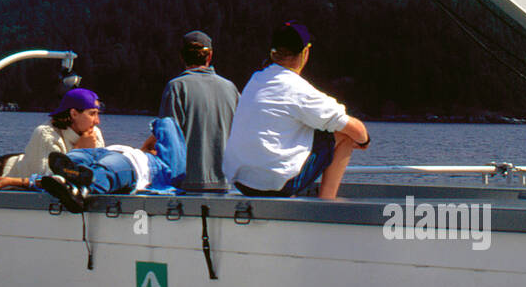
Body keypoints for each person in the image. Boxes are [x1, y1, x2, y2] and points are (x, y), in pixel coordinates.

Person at [222, 20, 369, 200]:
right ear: (305, 53)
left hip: (242, 181)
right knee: (345, 135)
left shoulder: (256, 80)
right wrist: (363, 141)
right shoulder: (297, 89)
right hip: (276, 185)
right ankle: (328, 202)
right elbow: (357, 130)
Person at [0, 88, 105, 190]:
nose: (97, 121)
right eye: (92, 114)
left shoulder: (93, 133)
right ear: (73, 113)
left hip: (21, 162)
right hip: (4, 172)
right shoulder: (46, 134)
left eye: (97, 114)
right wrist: (81, 150)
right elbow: (50, 180)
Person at [142, 30, 238, 193]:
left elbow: (169, 140)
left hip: (187, 185)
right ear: (209, 56)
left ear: (182, 57)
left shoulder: (176, 87)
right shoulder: (231, 89)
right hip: (226, 184)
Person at [38, 117, 186, 213]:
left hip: (130, 165)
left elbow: (167, 124)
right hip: (105, 153)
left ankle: (82, 188)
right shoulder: (139, 152)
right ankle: (64, 177)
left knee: (107, 171)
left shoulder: (166, 167)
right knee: (74, 158)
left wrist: (148, 145)